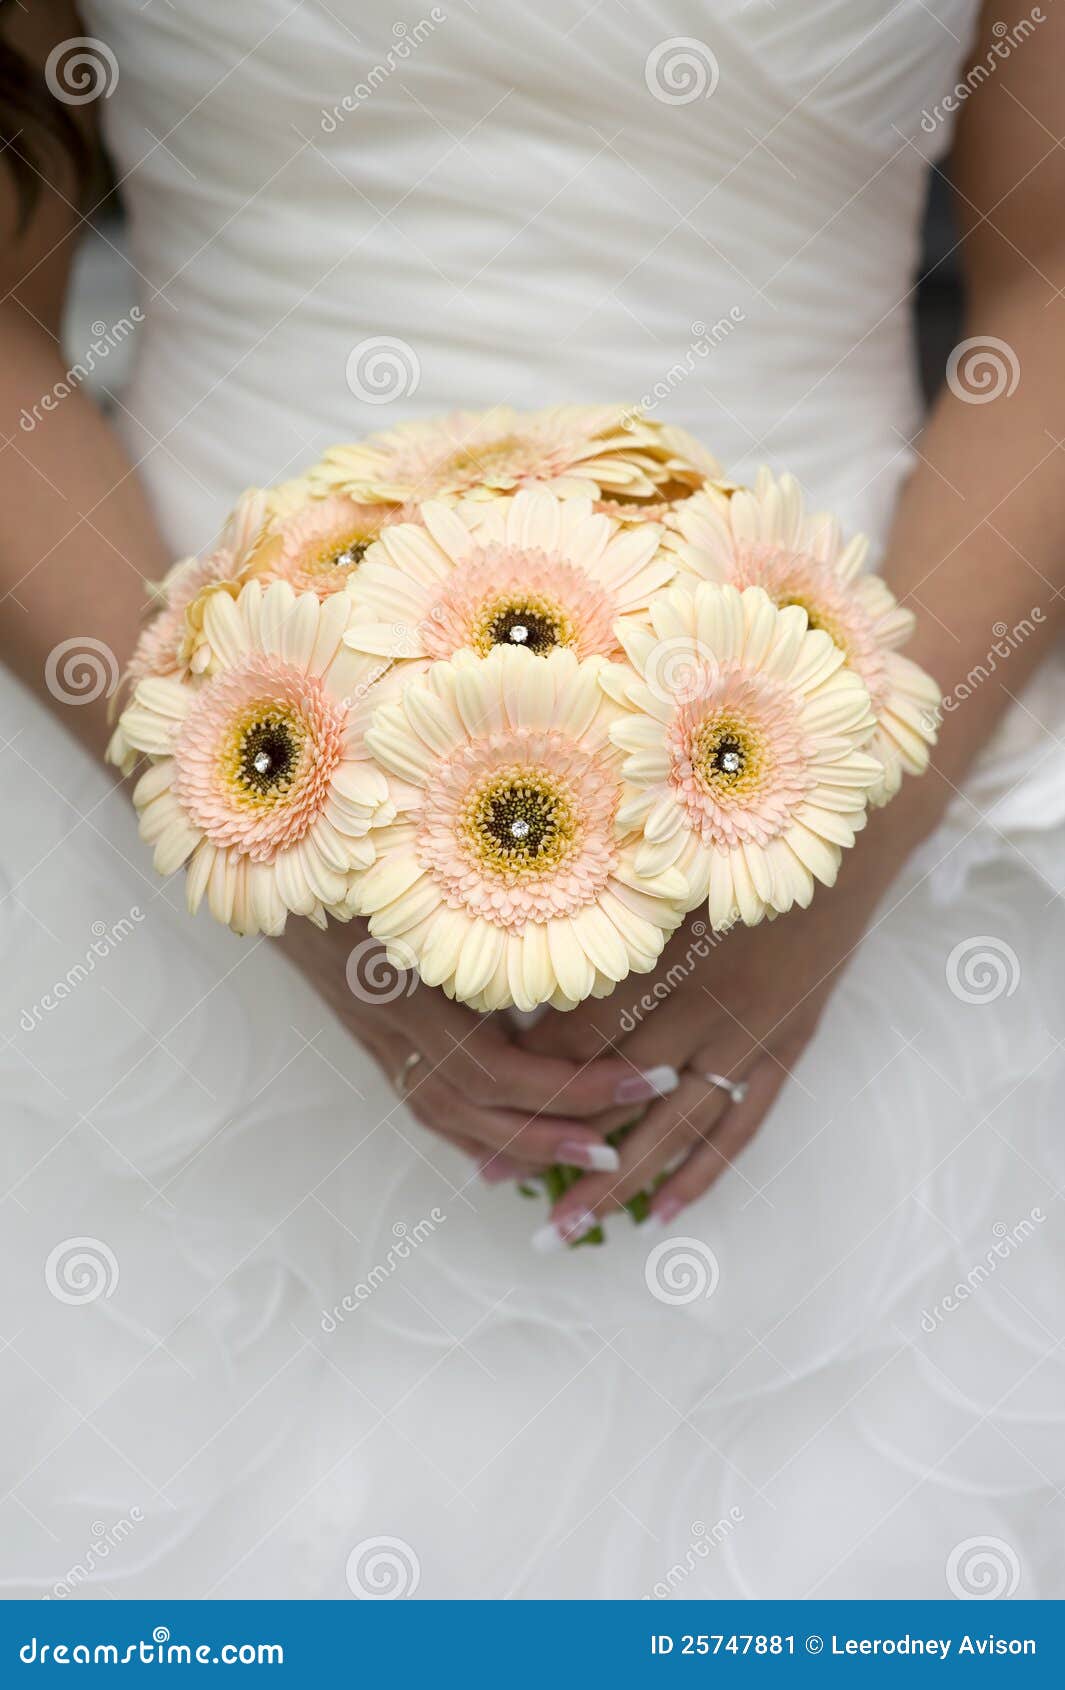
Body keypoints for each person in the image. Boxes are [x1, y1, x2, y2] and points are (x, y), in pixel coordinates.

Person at [1, 0, 1062, 1599]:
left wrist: (841, 845)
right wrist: (238, 814)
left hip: (875, 854)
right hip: (159, 845)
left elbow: (1051, 279)